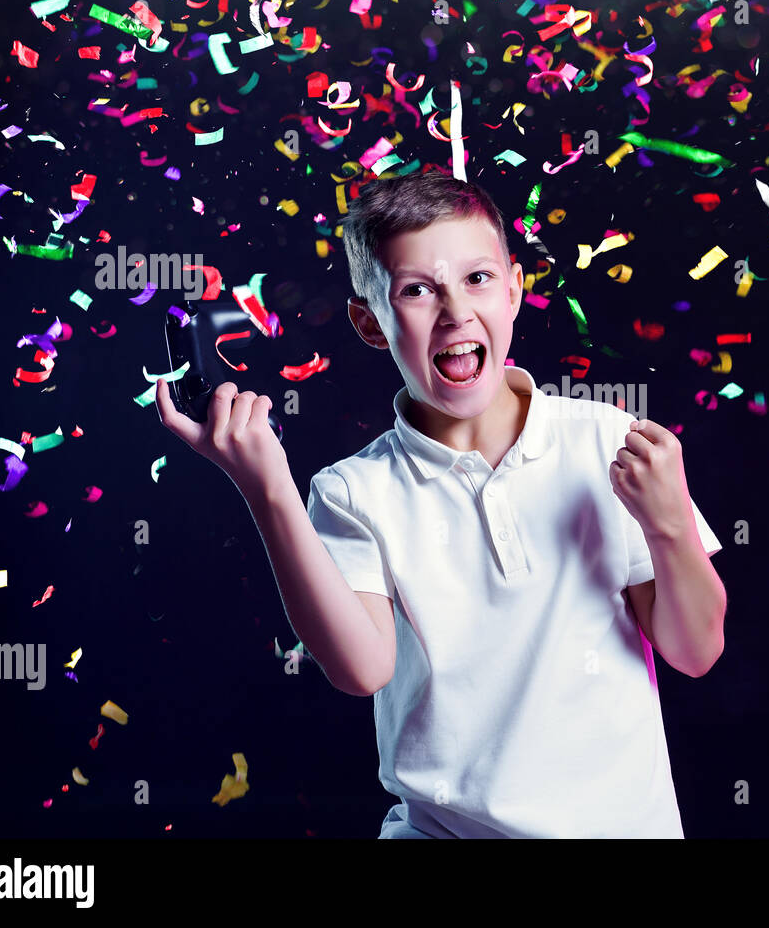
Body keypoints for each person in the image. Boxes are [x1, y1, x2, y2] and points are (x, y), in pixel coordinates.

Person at [155, 169, 728, 838]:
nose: (456, 312)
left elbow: (696, 651)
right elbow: (361, 669)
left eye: (477, 278)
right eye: (417, 290)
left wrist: (669, 526)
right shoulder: (352, 491)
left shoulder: (606, 441)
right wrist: (269, 490)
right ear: (370, 322)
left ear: (514, 290)